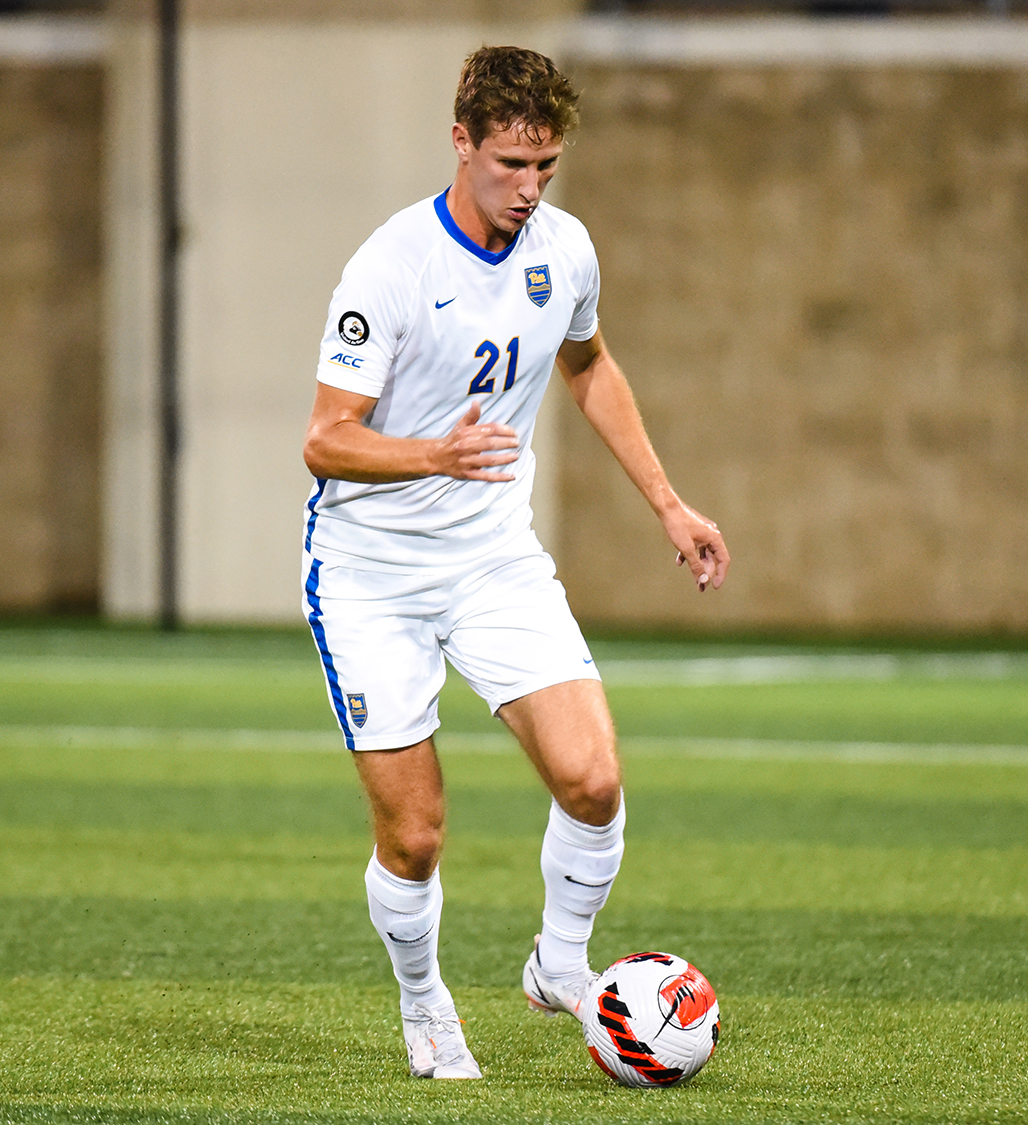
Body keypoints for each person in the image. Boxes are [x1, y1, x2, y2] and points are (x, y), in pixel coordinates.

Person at [299, 46, 730, 1080]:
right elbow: (324, 438)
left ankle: (559, 965)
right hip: (372, 574)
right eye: (508, 164)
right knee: (414, 837)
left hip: (492, 559)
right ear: (460, 140)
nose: (528, 189)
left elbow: (586, 366)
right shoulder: (390, 268)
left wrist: (667, 504)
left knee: (591, 780)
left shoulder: (564, 250)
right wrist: (430, 455)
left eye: (545, 166)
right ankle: (422, 1002)